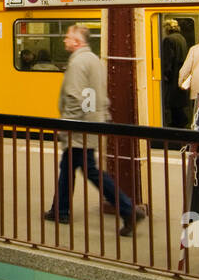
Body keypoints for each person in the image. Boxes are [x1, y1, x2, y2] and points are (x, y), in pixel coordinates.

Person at [44, 25, 147, 236]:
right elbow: (95, 95)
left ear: (77, 41)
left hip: (79, 127)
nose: (64, 40)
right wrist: (97, 117)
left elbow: (75, 97)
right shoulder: (93, 60)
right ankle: (60, 210)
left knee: (91, 171)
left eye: (68, 37)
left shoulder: (78, 62)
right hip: (89, 123)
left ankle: (128, 210)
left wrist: (68, 125)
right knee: (68, 167)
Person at [161, 19, 189, 127]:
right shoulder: (182, 38)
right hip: (181, 73)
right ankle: (181, 122)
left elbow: (168, 58)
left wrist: (165, 73)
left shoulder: (168, 40)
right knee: (178, 102)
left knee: (173, 103)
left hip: (173, 75)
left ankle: (179, 123)